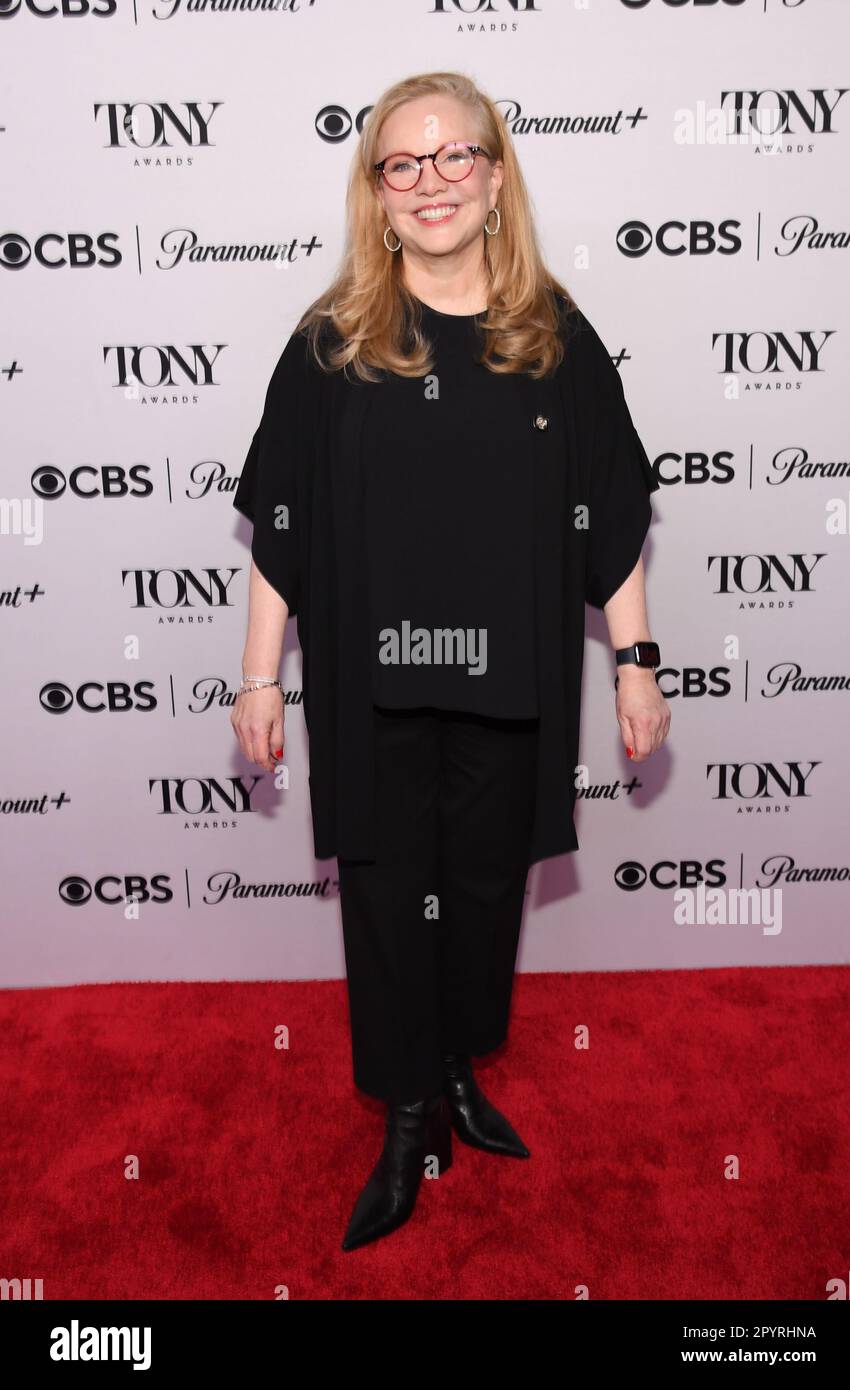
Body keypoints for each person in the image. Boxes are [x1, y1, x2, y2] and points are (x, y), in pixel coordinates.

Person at [230, 70, 670, 1253]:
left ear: (493, 178)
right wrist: (259, 673)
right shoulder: (331, 345)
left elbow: (610, 509)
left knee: (481, 896)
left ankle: (463, 1072)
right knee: (385, 905)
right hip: (373, 695)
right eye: (400, 164)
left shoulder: (553, 337)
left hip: (512, 685)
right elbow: (281, 522)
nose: (429, 182)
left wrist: (635, 658)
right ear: (376, 196)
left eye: (452, 157)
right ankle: (408, 1114)